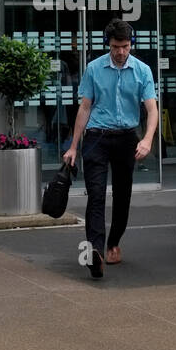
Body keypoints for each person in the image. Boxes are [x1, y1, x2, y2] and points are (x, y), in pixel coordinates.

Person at [63, 18, 159, 278]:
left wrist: (147, 139)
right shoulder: (94, 69)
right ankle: (95, 251)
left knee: (122, 195)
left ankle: (113, 241)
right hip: (96, 137)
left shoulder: (142, 71)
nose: (121, 52)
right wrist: (73, 146)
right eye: (116, 46)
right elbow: (84, 107)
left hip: (127, 138)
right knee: (95, 194)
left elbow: (152, 109)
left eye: (126, 46)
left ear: (131, 45)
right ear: (108, 44)